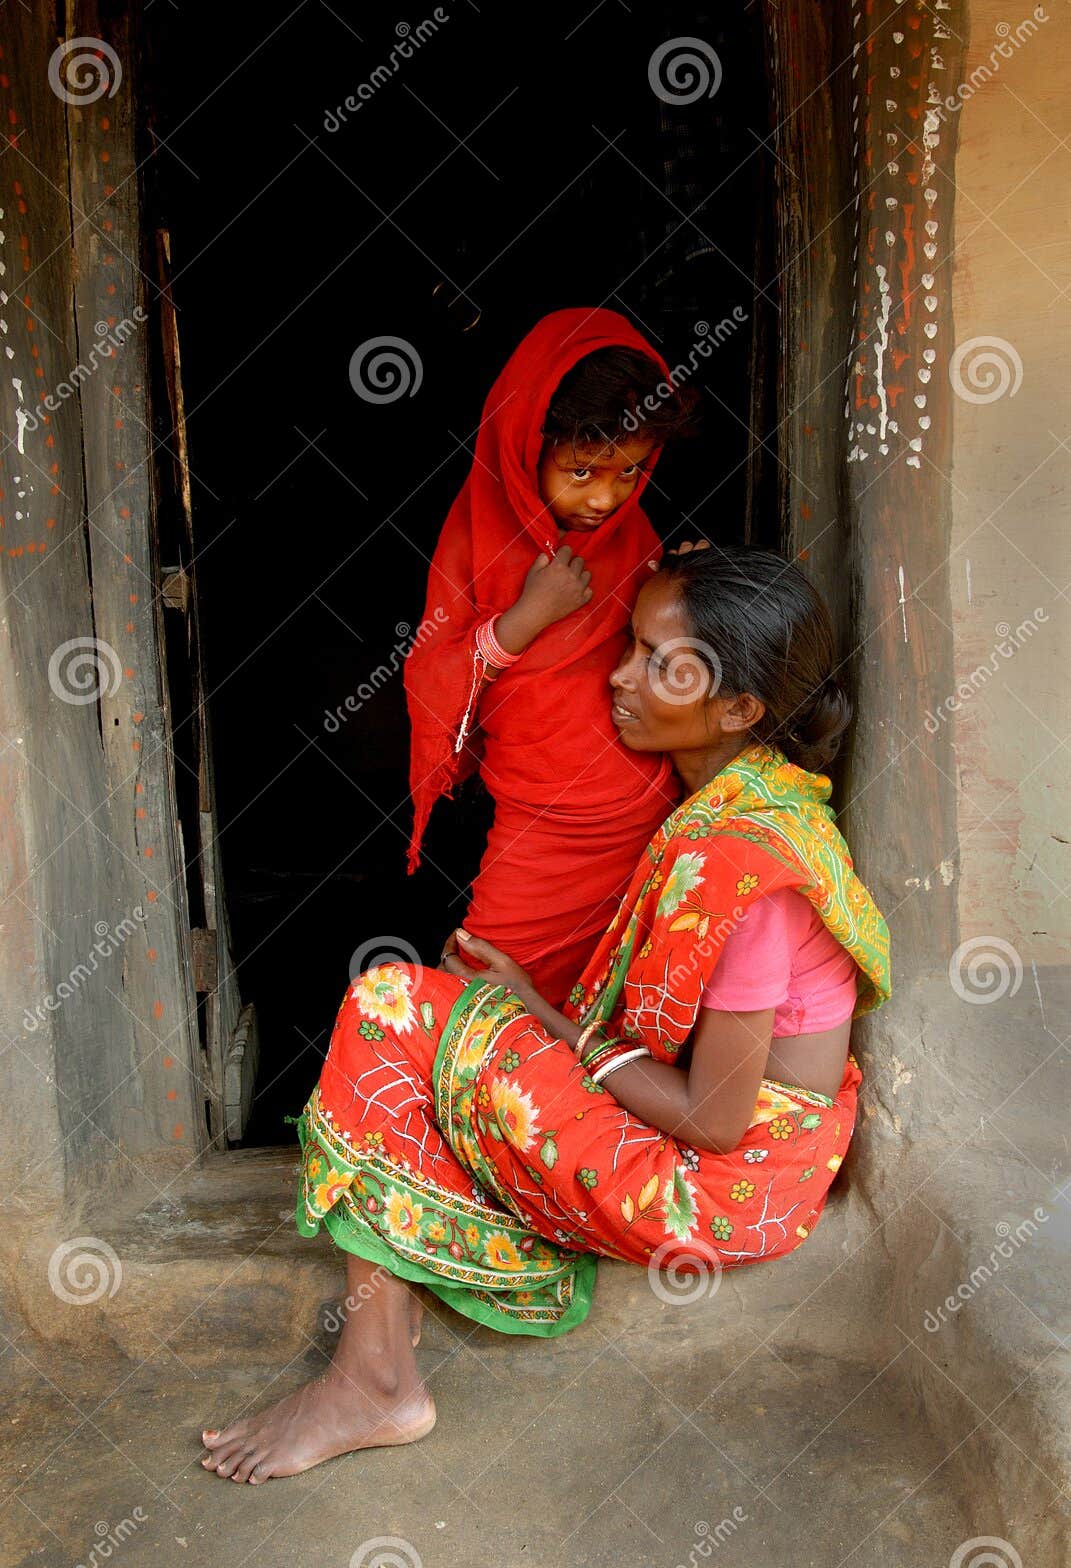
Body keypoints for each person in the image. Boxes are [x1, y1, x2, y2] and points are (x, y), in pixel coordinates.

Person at [201, 546, 890, 1484]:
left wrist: (561, 1032)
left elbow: (716, 1122)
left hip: (721, 1190)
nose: (619, 675)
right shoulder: (736, 809)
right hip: (720, 1154)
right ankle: (384, 1312)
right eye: (632, 646)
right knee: (425, 1012)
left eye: (661, 663)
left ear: (737, 711)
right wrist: (533, 1008)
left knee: (389, 1004)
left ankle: (374, 1380)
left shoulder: (748, 871)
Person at [405, 307, 695, 1006]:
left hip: (647, 814)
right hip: (541, 827)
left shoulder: (634, 535)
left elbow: (678, 657)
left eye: (630, 473)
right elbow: (430, 677)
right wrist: (525, 619)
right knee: (480, 988)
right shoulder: (478, 537)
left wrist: (692, 589)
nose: (606, 498)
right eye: (582, 471)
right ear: (524, 444)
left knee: (615, 1000)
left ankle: (561, 1116)